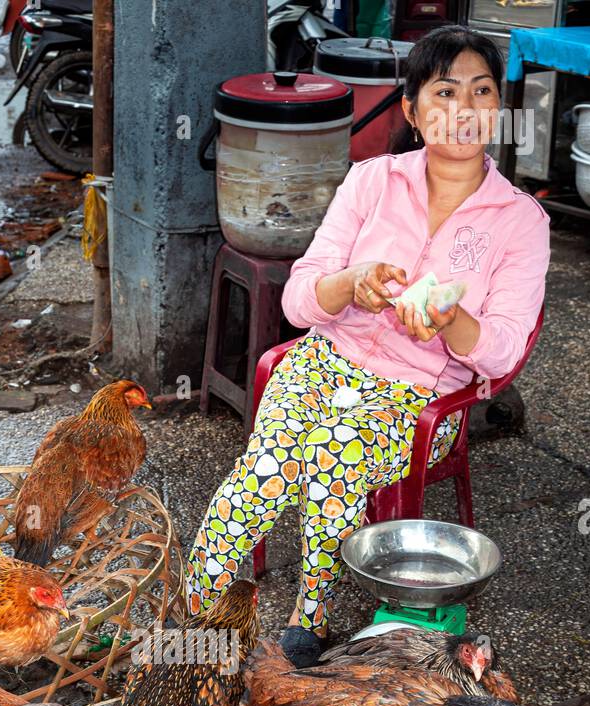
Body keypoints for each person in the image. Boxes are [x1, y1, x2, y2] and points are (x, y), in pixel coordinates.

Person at [186, 25, 550, 661]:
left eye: (482, 91)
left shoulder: (521, 220)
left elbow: (499, 353)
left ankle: (311, 608)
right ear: (411, 109)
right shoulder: (370, 182)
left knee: (331, 453)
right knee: (267, 468)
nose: (463, 110)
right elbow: (299, 302)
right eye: (444, 92)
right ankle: (194, 602)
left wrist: (447, 319)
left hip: (418, 398)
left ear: (499, 108)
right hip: (323, 364)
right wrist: (351, 284)